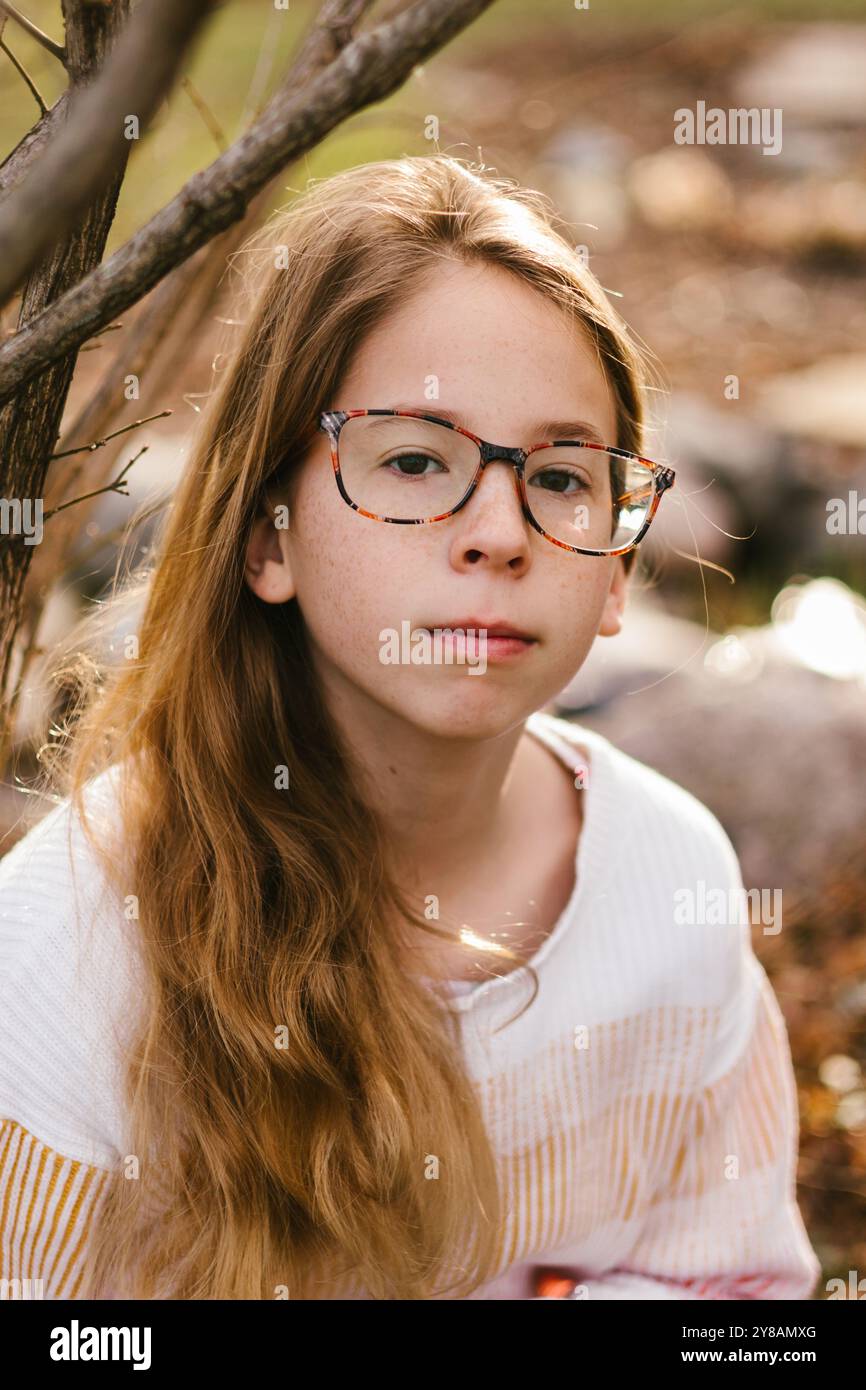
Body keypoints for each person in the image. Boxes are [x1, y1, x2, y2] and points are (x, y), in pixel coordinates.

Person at [0, 155, 820, 1301]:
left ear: (619, 569)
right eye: (415, 460)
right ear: (267, 536)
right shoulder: (72, 943)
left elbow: (732, 1294)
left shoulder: (666, 877)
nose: (500, 531)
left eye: (561, 477)